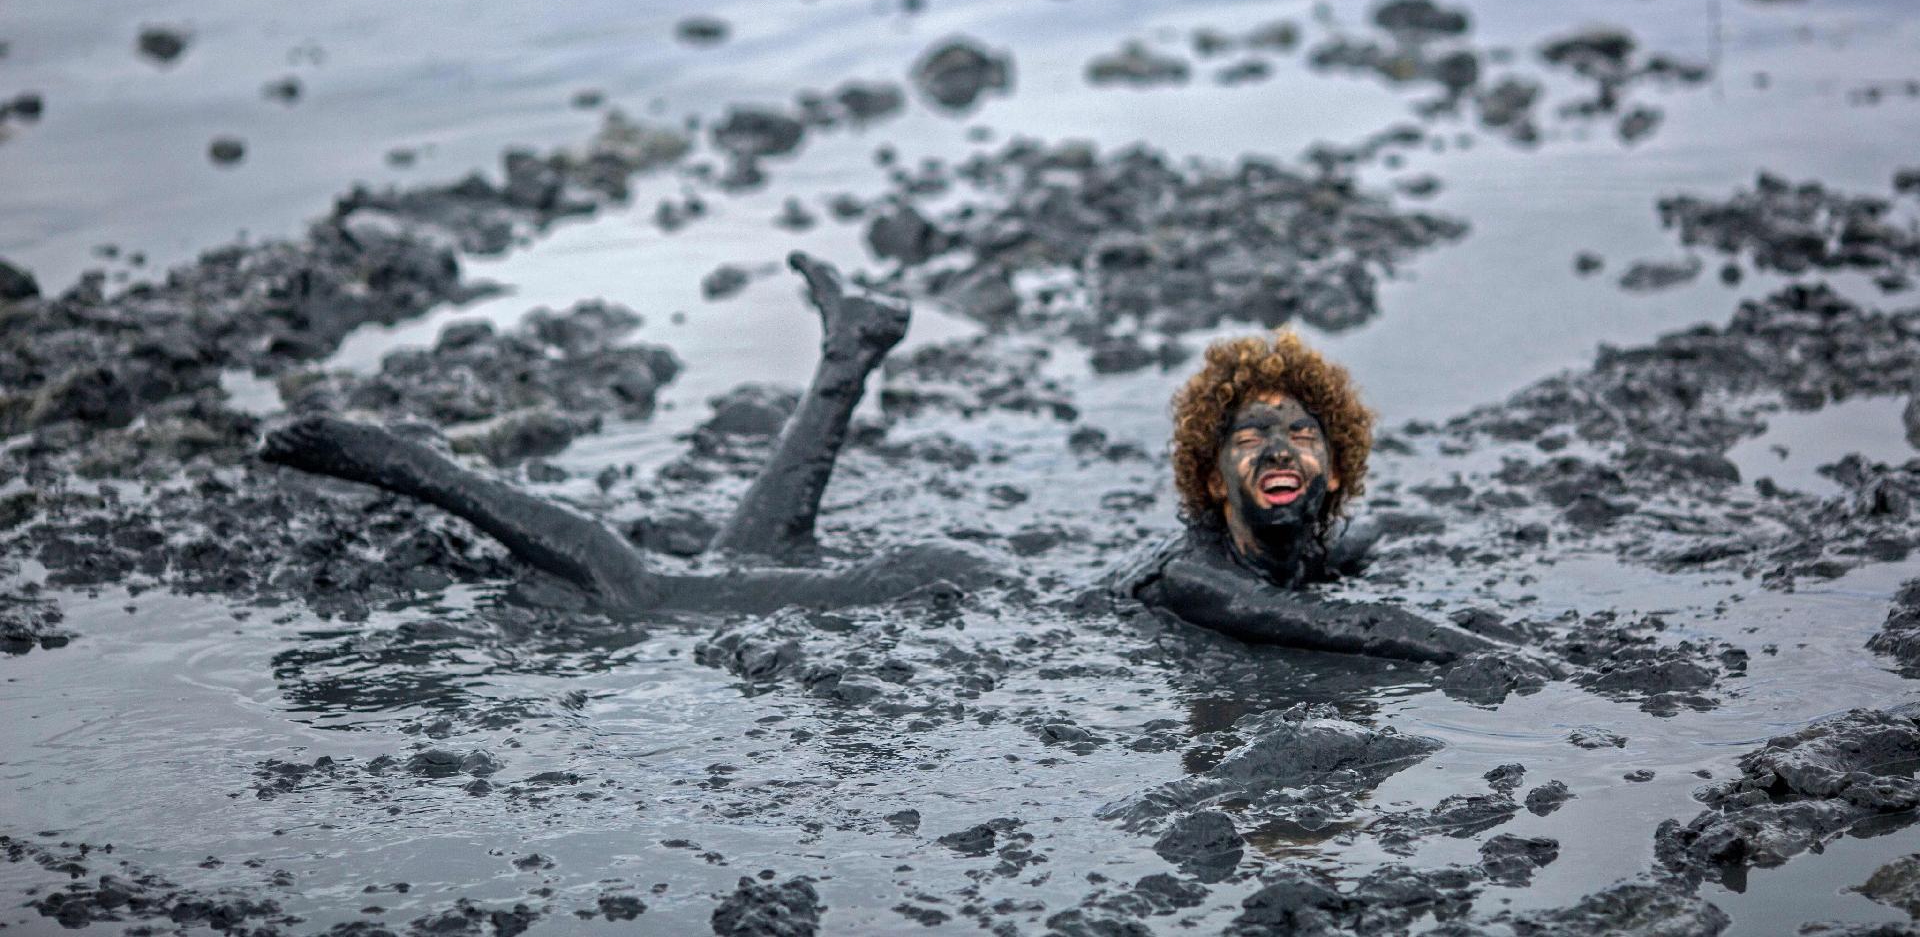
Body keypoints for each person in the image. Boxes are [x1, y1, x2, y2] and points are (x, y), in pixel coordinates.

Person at [260, 252, 992, 615]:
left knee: (693, 576)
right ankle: (416, 465)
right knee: (687, 579)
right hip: (944, 580)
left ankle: (411, 464)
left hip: (944, 580)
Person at [1123, 330, 1511, 665]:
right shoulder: (1192, 578)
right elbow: (1349, 625)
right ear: (1214, 481)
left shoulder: (1319, 548)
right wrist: (1504, 660)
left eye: (1302, 435)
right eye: (1250, 439)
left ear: (1336, 472)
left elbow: (1386, 525)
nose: (1279, 452)